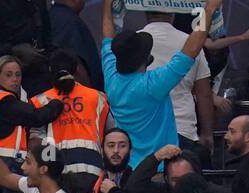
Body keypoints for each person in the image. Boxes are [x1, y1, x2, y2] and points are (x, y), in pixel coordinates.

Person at [100, 0, 219, 167]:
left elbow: (107, 37)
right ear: (144, 59)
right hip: (160, 169)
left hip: (129, 169)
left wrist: (107, 5)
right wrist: (210, 9)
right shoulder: (152, 85)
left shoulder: (112, 77)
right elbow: (189, 51)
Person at [140, 10, 215, 157]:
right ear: (173, 14)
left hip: (143, 131)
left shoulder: (133, 42)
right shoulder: (190, 42)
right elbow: (204, 94)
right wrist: (207, 133)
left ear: (145, 13)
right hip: (182, 129)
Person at [32, 53, 110, 192]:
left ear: (50, 70)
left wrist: (47, 165)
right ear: (75, 70)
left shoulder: (40, 100)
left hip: (57, 169)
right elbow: (110, 132)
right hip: (93, 167)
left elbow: (38, 138)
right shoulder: (98, 97)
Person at [48, 0, 103, 89]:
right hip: (79, 96)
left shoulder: (59, 16)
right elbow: (75, 64)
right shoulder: (66, 20)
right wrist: (87, 95)